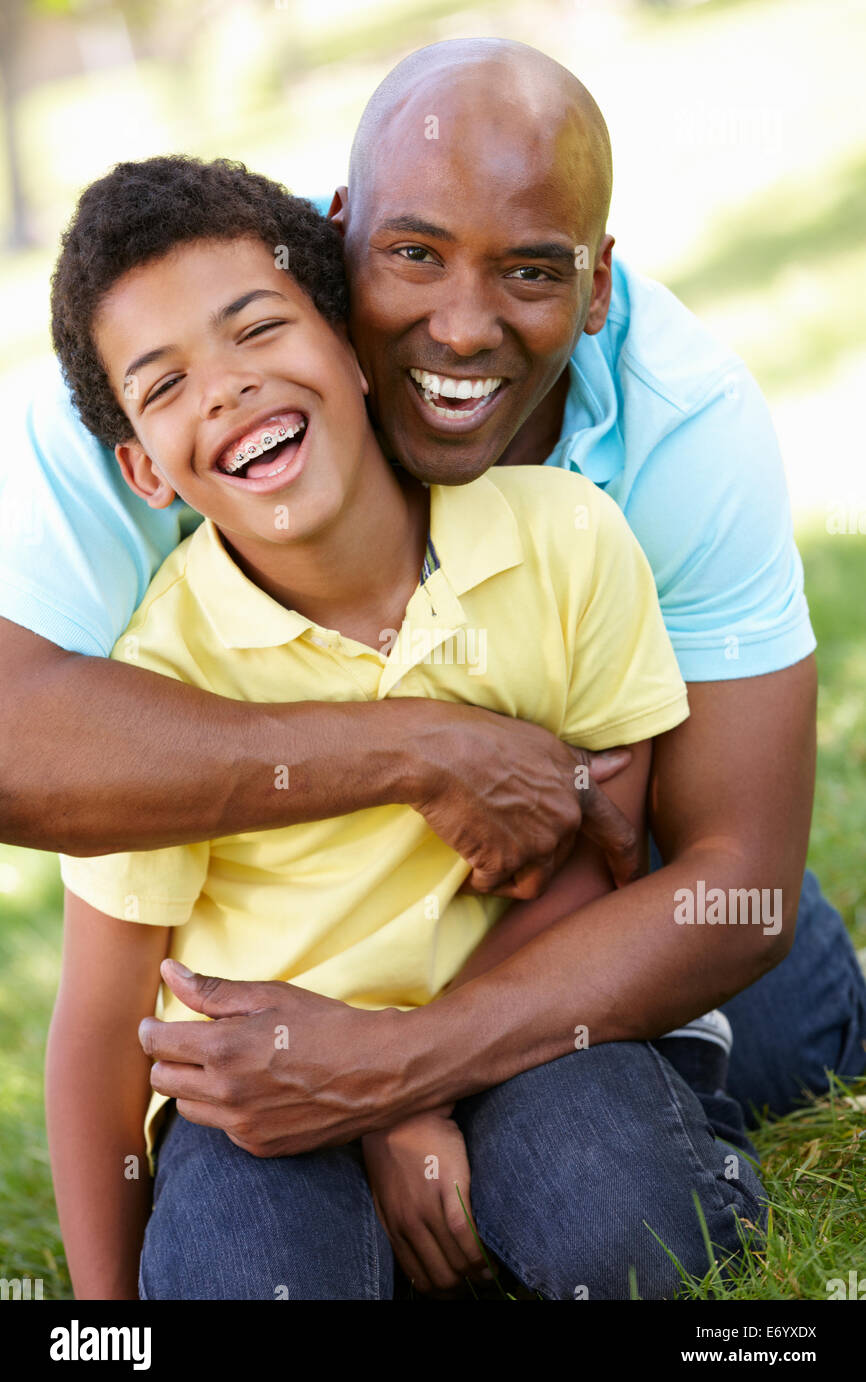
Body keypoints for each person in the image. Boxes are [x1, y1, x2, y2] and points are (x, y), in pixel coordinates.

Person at [3, 36, 864, 1295]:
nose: (460, 326)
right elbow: (35, 791)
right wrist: (426, 751)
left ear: (595, 285)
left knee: (725, 1063)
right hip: (288, 1004)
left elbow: (703, 866)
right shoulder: (143, 374)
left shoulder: (645, 466)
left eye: (526, 271)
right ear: (346, 255)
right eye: (412, 256)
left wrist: (400, 1071)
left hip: (583, 919)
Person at [47, 154, 699, 1300]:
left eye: (256, 329)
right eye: (166, 385)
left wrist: (405, 1086)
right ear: (146, 470)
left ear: (348, 343)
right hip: (252, 1092)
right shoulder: (159, 683)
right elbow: (101, 1031)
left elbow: (602, 853)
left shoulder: (562, 540)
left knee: (631, 1224)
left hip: (508, 1024)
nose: (228, 389)